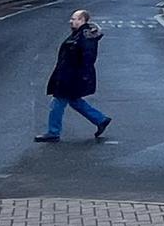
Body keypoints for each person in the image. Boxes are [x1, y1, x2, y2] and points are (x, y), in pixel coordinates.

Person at [36, 9, 109, 142]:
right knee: (74, 101)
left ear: (82, 20)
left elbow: (88, 58)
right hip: (69, 75)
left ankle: (53, 132)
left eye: (74, 19)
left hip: (72, 76)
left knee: (57, 103)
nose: (71, 21)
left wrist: (82, 76)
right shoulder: (79, 34)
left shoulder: (84, 37)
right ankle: (100, 119)